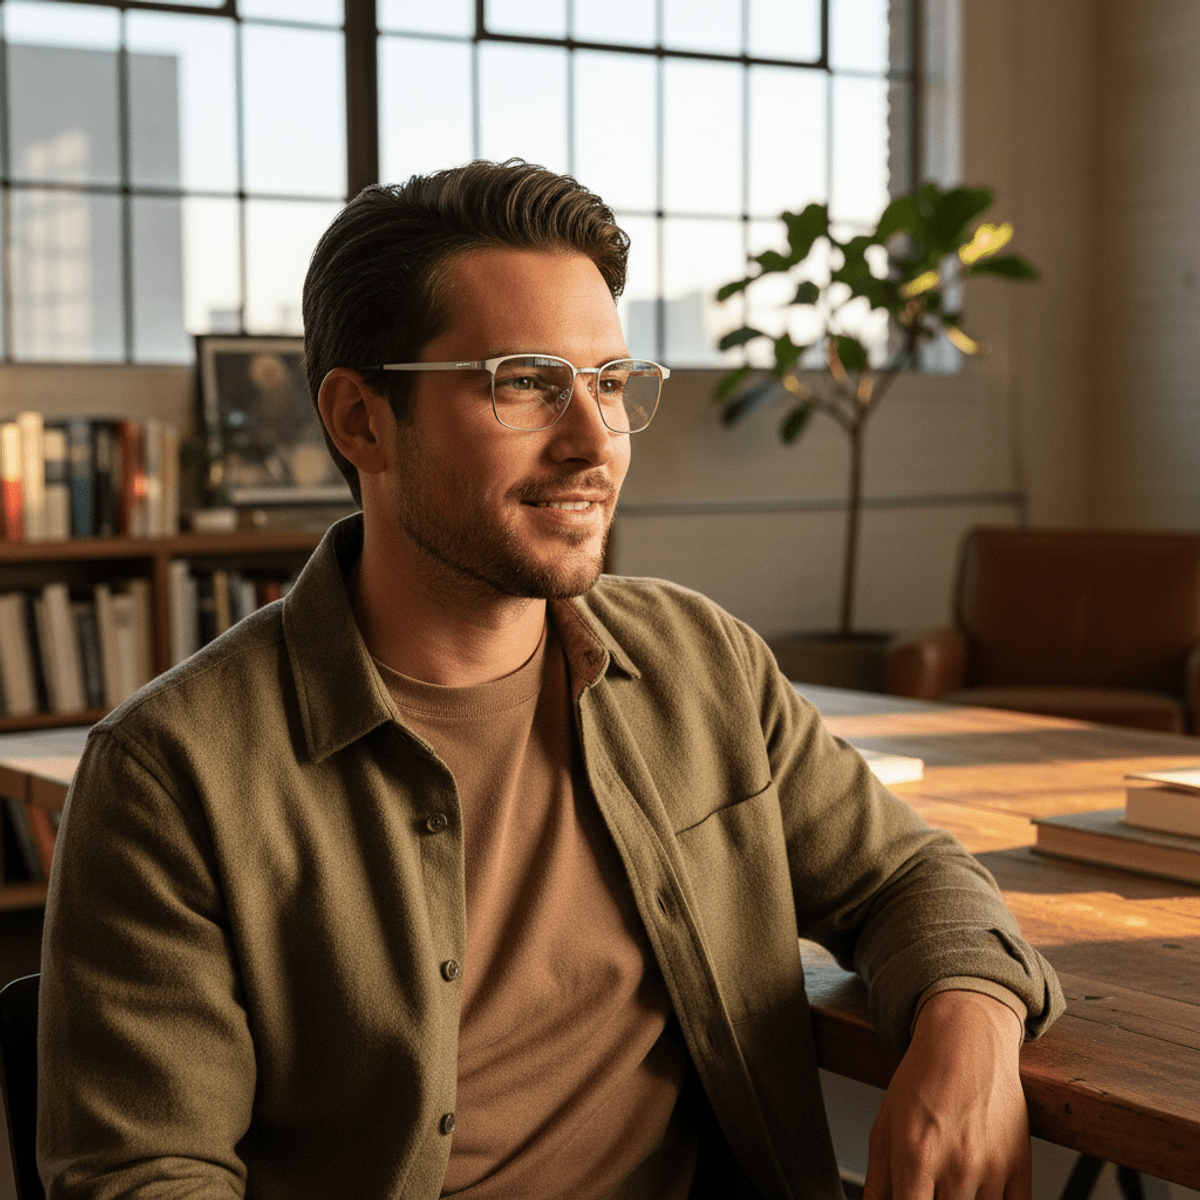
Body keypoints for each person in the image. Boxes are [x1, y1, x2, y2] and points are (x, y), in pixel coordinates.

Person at [38, 160, 1063, 1200]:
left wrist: (971, 1022)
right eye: (525, 383)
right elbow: (144, 1176)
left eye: (611, 384)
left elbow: (906, 878)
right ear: (359, 420)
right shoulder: (173, 774)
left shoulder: (699, 661)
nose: (593, 443)